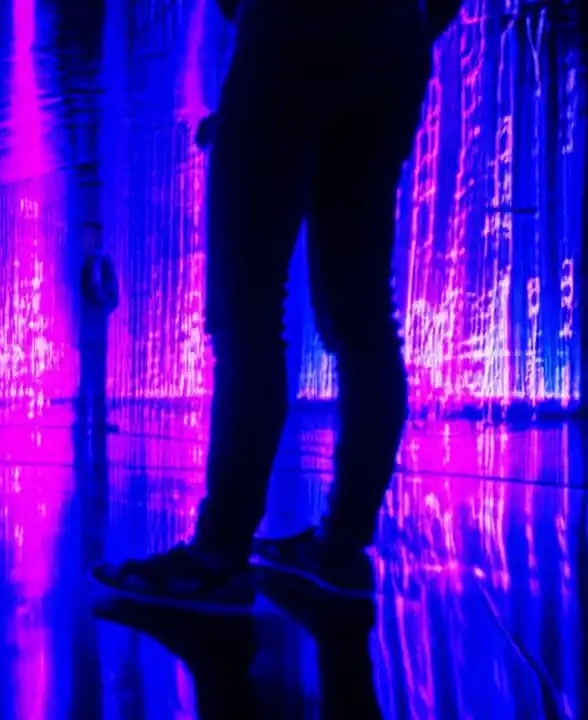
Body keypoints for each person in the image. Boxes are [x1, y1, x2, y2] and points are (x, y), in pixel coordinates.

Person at [94, 0, 463, 609]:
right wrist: (404, 30)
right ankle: (340, 546)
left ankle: (218, 555)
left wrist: (265, 56)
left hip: (291, 31)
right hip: (395, 42)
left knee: (248, 307)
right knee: (364, 314)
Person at [78, 220, 119, 433]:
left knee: (98, 375)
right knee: (86, 376)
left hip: (98, 328)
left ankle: (98, 421)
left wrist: (103, 299)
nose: (88, 240)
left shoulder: (104, 264)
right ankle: (85, 421)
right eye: (86, 236)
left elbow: (113, 297)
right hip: (86, 328)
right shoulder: (84, 265)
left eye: (91, 236)